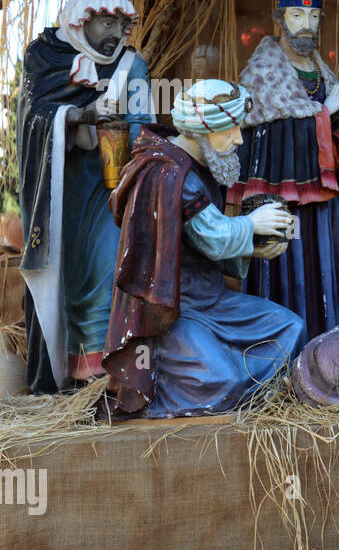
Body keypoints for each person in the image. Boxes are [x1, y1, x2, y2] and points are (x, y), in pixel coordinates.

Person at [101, 80, 306, 418]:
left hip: (213, 302)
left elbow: (203, 243)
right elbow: (212, 235)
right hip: (172, 314)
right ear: (200, 131)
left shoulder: (199, 166)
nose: (239, 139)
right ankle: (179, 397)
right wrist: (253, 225)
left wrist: (253, 248)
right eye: (230, 130)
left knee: (290, 328)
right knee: (220, 379)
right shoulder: (166, 173)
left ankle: (253, 404)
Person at [17, 0, 153, 391]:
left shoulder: (133, 66)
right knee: (65, 283)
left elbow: (141, 128)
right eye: (107, 24)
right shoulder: (44, 59)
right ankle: (65, 382)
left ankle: (98, 385)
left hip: (109, 194)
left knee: (104, 277)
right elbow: (30, 118)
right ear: (82, 19)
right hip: (57, 196)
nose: (117, 35)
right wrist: (77, 116)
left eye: (122, 26)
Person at [232, 0, 339, 340]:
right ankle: (285, 351)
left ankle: (330, 345)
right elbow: (268, 127)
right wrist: (323, 113)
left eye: (314, 17)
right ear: (279, 20)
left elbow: (324, 119)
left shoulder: (320, 70)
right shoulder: (261, 73)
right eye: (297, 15)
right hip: (279, 193)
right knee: (285, 259)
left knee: (328, 261)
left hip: (321, 194)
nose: (307, 25)